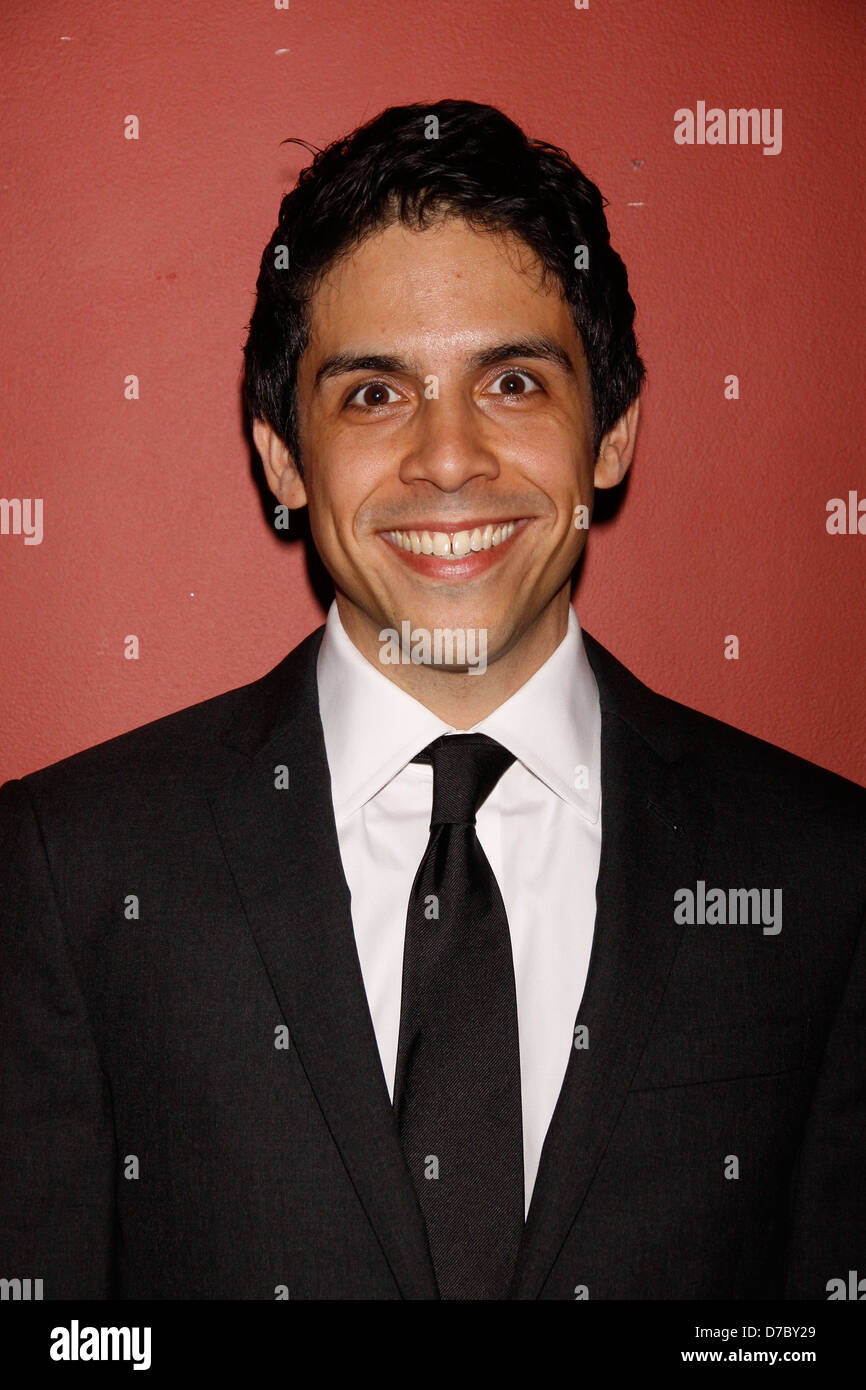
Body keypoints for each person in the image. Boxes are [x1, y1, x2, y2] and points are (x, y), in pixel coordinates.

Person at [1, 99, 863, 1302]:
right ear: (282, 458)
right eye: (372, 393)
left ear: (610, 430)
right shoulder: (70, 869)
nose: (447, 457)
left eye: (511, 380)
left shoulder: (823, 873)